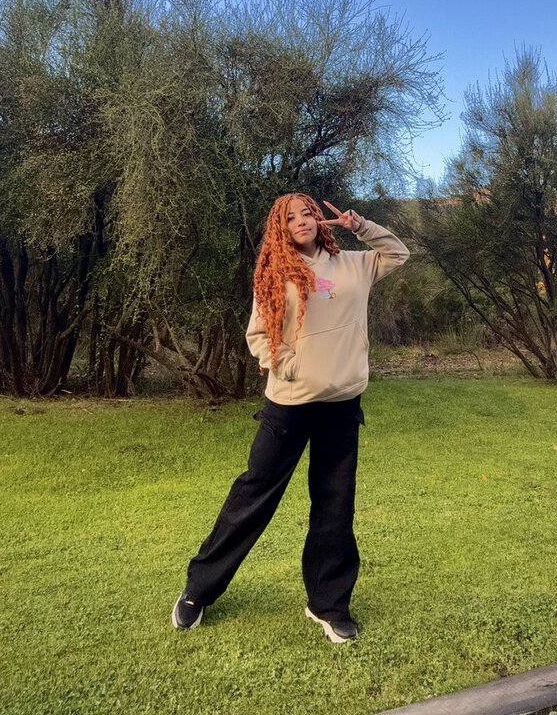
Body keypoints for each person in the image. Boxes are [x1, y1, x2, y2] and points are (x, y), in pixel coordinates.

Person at [171, 193, 409, 643]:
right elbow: (259, 335)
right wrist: (290, 365)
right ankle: (198, 590)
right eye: (291, 217)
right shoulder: (275, 273)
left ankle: (328, 604)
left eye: (308, 213)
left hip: (342, 404)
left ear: (320, 220)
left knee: (335, 504)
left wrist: (360, 226)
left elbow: (398, 253)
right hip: (290, 404)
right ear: (281, 228)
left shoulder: (354, 264)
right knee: (254, 495)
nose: (301, 221)